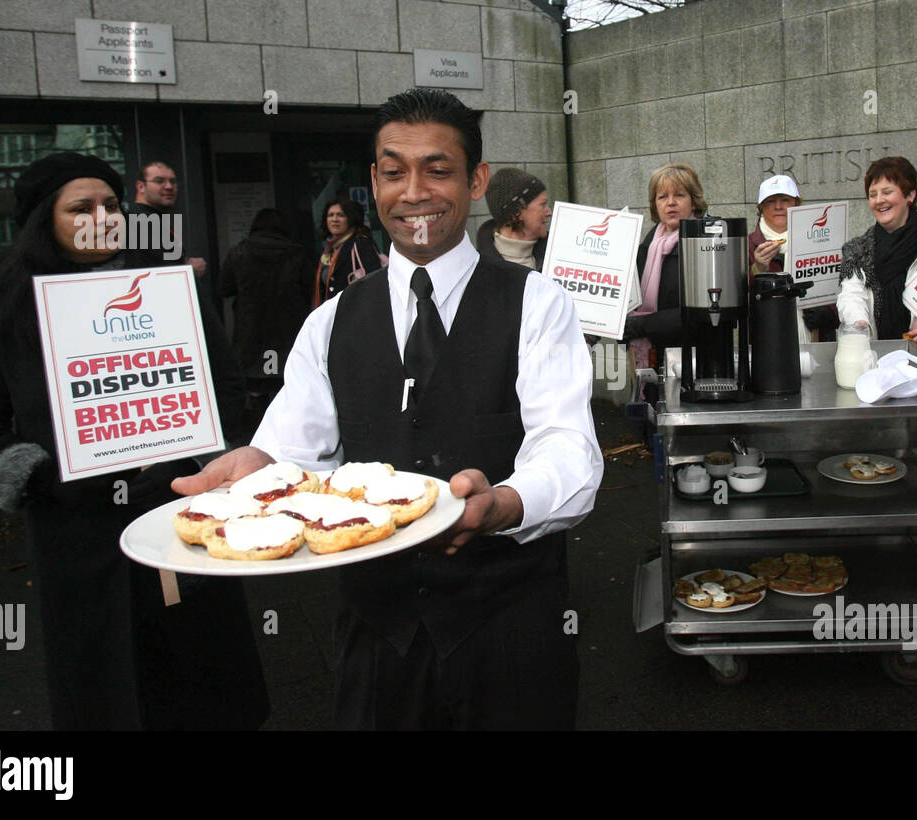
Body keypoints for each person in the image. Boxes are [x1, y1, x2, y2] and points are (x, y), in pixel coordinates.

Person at [172, 89, 602, 730]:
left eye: (438, 169)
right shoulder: (330, 322)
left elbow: (567, 446)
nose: (415, 192)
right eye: (394, 170)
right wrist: (251, 470)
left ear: (477, 180)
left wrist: (504, 503)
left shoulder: (537, 304)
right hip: (378, 632)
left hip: (509, 625)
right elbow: (294, 448)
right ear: (373, 181)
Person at [0, 152, 269, 730]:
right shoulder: (0, 308)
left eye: (112, 205)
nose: (102, 217)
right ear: (46, 218)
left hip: (178, 513)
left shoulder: (168, 289)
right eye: (81, 207)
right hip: (77, 534)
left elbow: (225, 388)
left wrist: (203, 454)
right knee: (106, 685)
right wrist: (43, 477)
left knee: (204, 675)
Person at [836, 157, 917, 344]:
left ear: (910, 195)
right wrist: (859, 325)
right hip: (876, 358)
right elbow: (851, 296)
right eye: (872, 195)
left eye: (887, 192)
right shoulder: (857, 249)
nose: (879, 201)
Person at [217, 207, 314, 433]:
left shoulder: (238, 252)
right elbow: (310, 288)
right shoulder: (297, 254)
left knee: (256, 389)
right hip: (287, 333)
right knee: (286, 386)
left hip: (251, 336)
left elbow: (223, 288)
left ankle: (260, 436)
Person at [621, 162, 707, 373]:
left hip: (692, 360)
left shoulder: (705, 241)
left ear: (694, 201)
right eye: (662, 197)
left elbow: (699, 313)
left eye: (679, 195)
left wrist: (640, 326)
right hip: (650, 357)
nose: (670, 203)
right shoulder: (649, 243)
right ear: (655, 204)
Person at [747, 174, 840, 343]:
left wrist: (829, 312)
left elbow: (837, 287)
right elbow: (741, 297)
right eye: (770, 201)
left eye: (785, 200)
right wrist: (758, 269)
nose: (778, 206)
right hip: (769, 342)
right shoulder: (748, 246)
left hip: (815, 341)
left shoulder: (819, 239)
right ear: (761, 208)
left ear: (797, 204)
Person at [132, 159, 207, 278]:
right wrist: (190, 269)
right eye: (159, 181)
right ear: (141, 186)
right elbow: (156, 274)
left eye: (173, 181)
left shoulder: (150, 218)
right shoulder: (142, 222)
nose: (169, 187)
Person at [313, 198, 384, 306]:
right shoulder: (329, 251)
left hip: (355, 313)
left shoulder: (361, 244)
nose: (334, 219)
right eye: (330, 215)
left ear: (351, 219)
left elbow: (375, 281)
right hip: (332, 313)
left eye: (340, 215)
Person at [476, 167, 550, 270]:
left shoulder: (558, 256)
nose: (549, 212)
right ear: (517, 212)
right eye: (543, 205)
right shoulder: (477, 268)